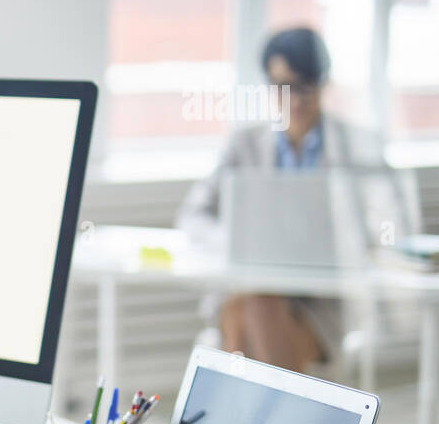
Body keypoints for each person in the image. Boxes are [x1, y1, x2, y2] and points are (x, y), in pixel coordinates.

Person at [176, 26, 414, 373]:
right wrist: (237, 241)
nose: (297, 99)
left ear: (324, 83)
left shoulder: (357, 145)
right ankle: (284, 421)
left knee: (251, 317)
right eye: (285, 87)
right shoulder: (244, 145)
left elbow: (391, 223)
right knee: (255, 303)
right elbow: (193, 214)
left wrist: (360, 244)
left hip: (320, 300)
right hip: (248, 286)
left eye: (307, 86)